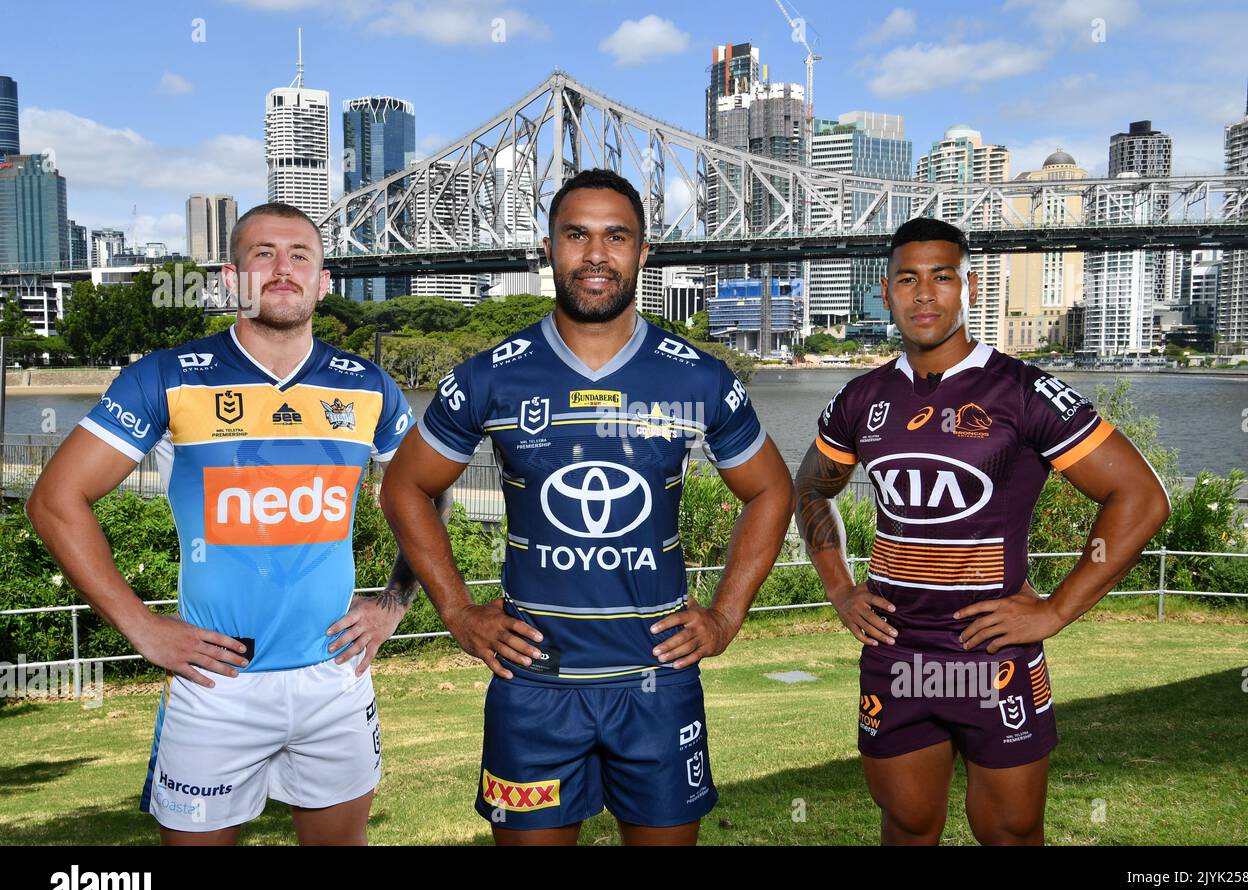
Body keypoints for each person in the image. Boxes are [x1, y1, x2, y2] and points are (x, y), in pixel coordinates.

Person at [380, 168, 794, 845]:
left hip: (656, 683)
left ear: (643, 253)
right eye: (577, 235)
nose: (596, 255)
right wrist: (457, 610)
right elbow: (405, 486)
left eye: (616, 237)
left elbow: (772, 490)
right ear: (549, 248)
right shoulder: (492, 374)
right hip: (534, 689)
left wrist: (724, 615)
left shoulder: (697, 375)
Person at [25, 203, 420, 845]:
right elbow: (55, 501)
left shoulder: (371, 386)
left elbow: (423, 496)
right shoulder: (166, 376)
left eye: (301, 255)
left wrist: (394, 604)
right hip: (216, 683)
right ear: (231, 279)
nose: (282, 268)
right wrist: (142, 628)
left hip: (336, 678)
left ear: (324, 282)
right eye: (262, 253)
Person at [793, 217, 1169, 845]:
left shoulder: (1024, 392)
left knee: (1010, 832)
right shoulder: (861, 398)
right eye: (907, 280)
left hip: (996, 655)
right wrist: (840, 587)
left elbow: (1139, 497)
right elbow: (810, 488)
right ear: (885, 294)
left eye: (942, 277)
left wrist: (1054, 611)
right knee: (908, 824)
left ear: (968, 287)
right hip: (897, 653)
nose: (924, 295)